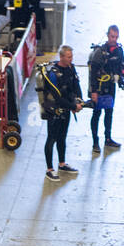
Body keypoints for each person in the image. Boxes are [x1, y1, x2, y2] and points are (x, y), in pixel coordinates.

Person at [42, 44, 83, 182]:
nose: (71, 59)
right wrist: (73, 105)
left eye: (72, 56)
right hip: (54, 110)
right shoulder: (52, 73)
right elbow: (58, 98)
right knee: (52, 138)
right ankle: (49, 169)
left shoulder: (71, 68)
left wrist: (79, 101)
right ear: (61, 57)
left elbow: (75, 86)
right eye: (68, 56)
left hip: (66, 109)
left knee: (62, 137)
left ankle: (62, 164)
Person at [88, 25, 124, 153]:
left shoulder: (119, 51)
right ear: (108, 35)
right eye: (112, 36)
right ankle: (95, 142)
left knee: (109, 112)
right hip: (99, 86)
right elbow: (93, 73)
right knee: (96, 113)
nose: (114, 39)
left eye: (116, 37)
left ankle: (108, 139)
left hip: (110, 86)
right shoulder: (99, 52)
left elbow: (123, 67)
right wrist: (93, 91)